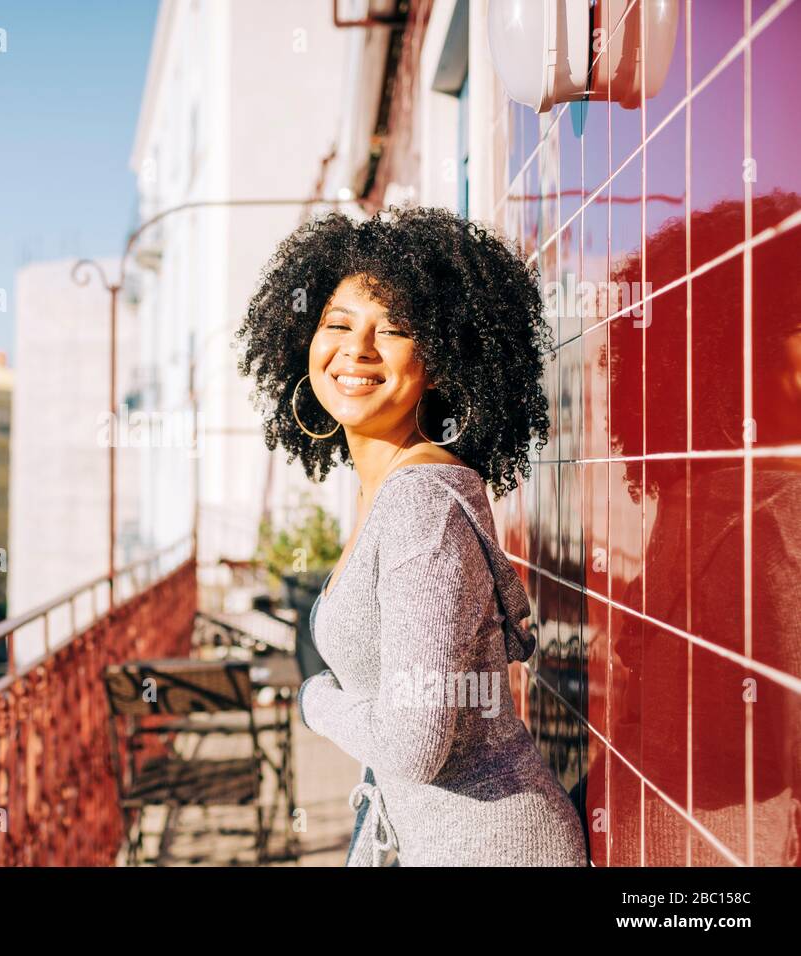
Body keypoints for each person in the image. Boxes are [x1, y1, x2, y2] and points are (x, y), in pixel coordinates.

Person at [235, 206, 587, 866]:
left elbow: (412, 744)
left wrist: (313, 699)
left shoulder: (421, 503)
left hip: (490, 848)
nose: (357, 349)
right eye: (337, 324)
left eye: (394, 330)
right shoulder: (389, 487)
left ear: (440, 362)